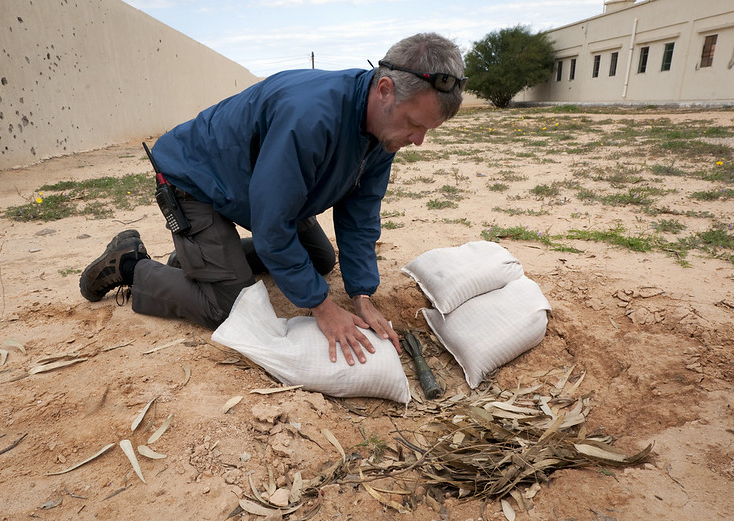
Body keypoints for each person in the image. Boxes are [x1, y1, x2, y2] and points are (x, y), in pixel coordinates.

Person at [79, 32, 466, 366]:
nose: (418, 140)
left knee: (319, 261)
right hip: (195, 178)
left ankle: (195, 261)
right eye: (416, 125)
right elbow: (272, 227)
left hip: (255, 184)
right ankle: (131, 265)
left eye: (427, 129)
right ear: (385, 90)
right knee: (227, 305)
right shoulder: (310, 117)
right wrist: (324, 309)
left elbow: (360, 213)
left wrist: (361, 293)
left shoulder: (385, 129)